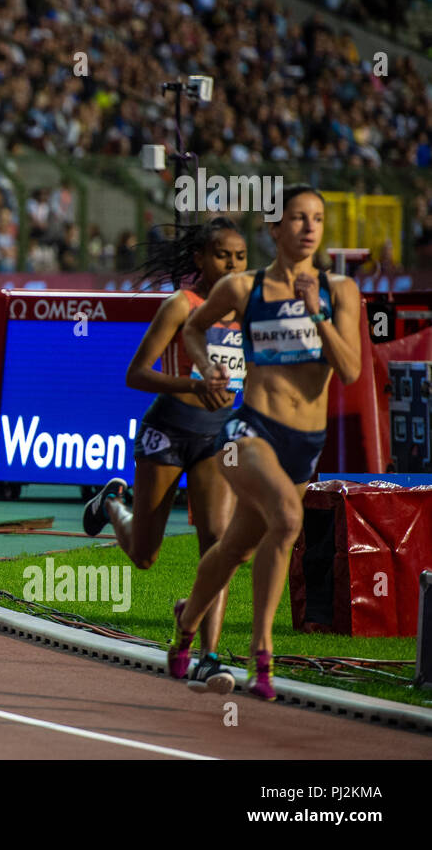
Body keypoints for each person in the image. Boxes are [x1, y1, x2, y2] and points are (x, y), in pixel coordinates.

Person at [166, 187, 362, 701]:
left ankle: (187, 623)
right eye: (298, 217)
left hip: (304, 444)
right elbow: (192, 329)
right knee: (289, 520)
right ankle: (262, 655)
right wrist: (207, 365)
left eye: (317, 218)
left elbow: (350, 369)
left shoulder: (340, 291)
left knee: (236, 547)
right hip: (247, 432)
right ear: (275, 229)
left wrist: (315, 312)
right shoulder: (241, 286)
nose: (309, 227)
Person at [82, 215, 247, 693]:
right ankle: (112, 502)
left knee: (218, 546)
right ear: (200, 259)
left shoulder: (251, 311)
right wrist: (193, 384)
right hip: (169, 430)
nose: (233, 264)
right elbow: (136, 373)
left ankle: (208, 657)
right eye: (222, 255)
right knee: (146, 555)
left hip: (217, 437)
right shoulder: (183, 305)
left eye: (240, 256)